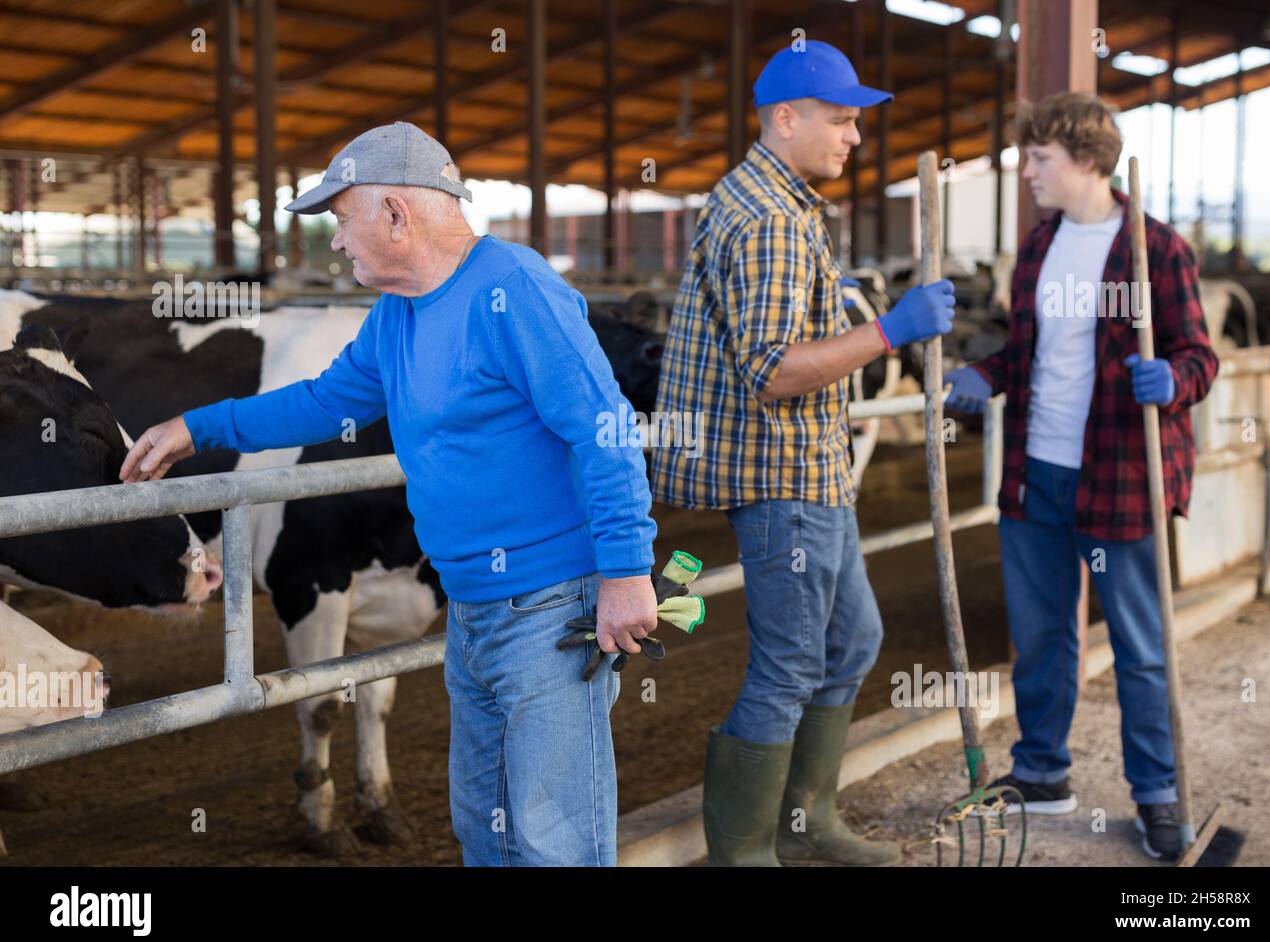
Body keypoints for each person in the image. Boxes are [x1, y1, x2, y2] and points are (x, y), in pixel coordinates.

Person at [119, 122, 659, 867]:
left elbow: (604, 430)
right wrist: (197, 426)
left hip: (551, 609)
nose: (336, 243)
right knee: (488, 828)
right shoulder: (399, 316)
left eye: (342, 221)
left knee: (554, 837)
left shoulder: (516, 289)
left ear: (397, 215)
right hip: (472, 611)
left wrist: (628, 572)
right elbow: (322, 401)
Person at [651, 41, 955, 866]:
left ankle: (807, 820)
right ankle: (745, 851)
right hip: (782, 471)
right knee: (789, 666)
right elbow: (775, 371)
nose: (855, 137)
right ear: (786, 118)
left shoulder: (770, 198)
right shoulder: (772, 220)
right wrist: (893, 329)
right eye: (842, 120)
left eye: (857, 122)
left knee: (852, 641)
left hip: (811, 467)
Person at [943, 92, 1219, 861]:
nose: (1026, 170)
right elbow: (1027, 353)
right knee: (1039, 635)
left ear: (1088, 161)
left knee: (1138, 641)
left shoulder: (1153, 249)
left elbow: (1201, 356)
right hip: (1037, 474)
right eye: (1026, 156)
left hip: (1121, 474)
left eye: (1039, 158)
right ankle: (1040, 771)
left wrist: (1174, 377)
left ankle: (1159, 795)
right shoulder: (1038, 246)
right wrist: (984, 375)